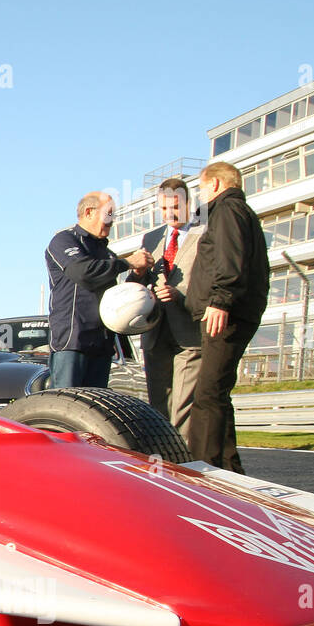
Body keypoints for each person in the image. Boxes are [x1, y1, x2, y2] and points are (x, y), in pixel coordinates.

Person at [185, 162, 269, 473]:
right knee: (217, 393)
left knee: (207, 395)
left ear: (217, 184)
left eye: (202, 188)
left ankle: (202, 469)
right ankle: (230, 468)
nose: (201, 195)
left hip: (226, 312)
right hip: (232, 310)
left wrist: (220, 300)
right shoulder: (237, 211)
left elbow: (229, 258)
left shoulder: (226, 210)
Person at [45, 193, 153, 388]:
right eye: (109, 215)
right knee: (67, 408)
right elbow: (83, 272)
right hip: (72, 343)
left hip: (102, 345)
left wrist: (137, 274)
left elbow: (117, 297)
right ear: (88, 212)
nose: (112, 222)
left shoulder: (108, 253)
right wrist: (128, 262)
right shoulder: (64, 240)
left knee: (94, 412)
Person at [126, 178, 204, 443]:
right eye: (163, 209)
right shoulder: (152, 238)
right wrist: (137, 272)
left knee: (183, 407)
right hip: (156, 330)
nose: (170, 214)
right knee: (158, 406)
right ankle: (163, 461)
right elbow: (135, 285)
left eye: (175, 207)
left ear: (188, 203)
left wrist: (180, 295)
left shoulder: (205, 234)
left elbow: (211, 281)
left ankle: (182, 465)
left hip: (189, 331)